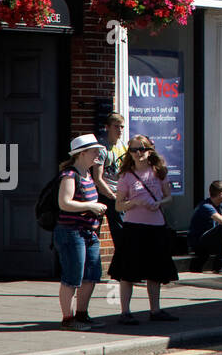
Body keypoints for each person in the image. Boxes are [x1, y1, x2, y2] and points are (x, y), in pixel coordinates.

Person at [110, 135, 179, 324]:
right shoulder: (125, 176)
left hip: (156, 227)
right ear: (129, 153)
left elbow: (168, 197)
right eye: (133, 150)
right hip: (133, 228)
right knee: (127, 272)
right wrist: (134, 202)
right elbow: (118, 206)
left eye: (141, 149)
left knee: (155, 272)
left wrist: (158, 203)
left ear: (149, 150)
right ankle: (125, 312)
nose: (138, 153)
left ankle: (155, 310)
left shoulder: (159, 172)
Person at [55, 134, 107, 330]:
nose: (97, 154)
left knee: (92, 274)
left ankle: (82, 314)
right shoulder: (70, 175)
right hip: (71, 232)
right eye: (94, 151)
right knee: (72, 276)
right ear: (82, 153)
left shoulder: (88, 175)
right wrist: (91, 206)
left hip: (89, 232)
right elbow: (64, 203)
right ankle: (68, 319)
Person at [91, 112, 128, 249]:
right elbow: (97, 178)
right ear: (107, 127)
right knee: (94, 231)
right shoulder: (101, 148)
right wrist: (112, 196)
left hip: (119, 193)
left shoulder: (124, 147)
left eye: (122, 127)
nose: (120, 130)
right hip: (103, 194)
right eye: (116, 126)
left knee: (121, 233)